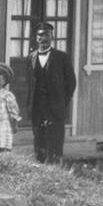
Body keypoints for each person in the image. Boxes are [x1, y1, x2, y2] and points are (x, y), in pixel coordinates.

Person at [27, 21, 77, 163]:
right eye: (40, 35)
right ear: (36, 38)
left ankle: (55, 167)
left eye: (47, 35)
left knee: (55, 139)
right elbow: (30, 83)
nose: (44, 38)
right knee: (39, 137)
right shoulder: (31, 57)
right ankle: (40, 164)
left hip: (55, 106)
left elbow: (71, 83)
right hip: (37, 106)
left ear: (52, 38)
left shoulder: (62, 57)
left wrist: (61, 101)